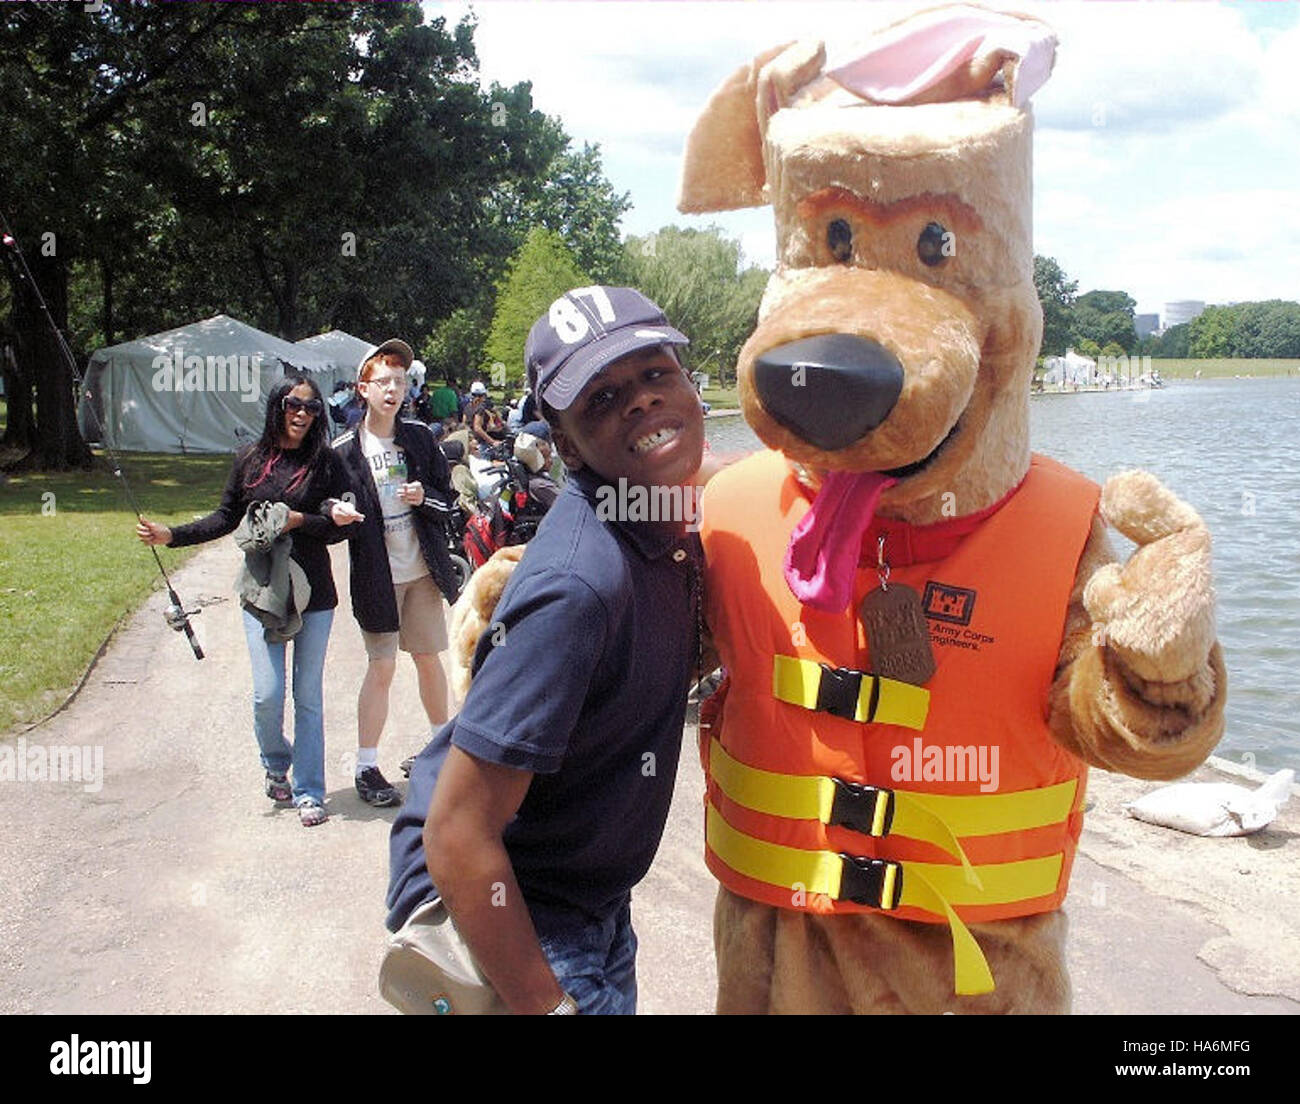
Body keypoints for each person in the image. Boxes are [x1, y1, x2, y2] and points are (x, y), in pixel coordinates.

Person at [387, 286, 708, 1014]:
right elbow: (460, 831)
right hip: (520, 915)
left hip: (588, 897)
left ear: (690, 385)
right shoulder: (580, 587)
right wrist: (547, 1004)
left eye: (657, 373)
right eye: (601, 399)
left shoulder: (656, 520)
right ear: (564, 445)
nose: (639, 402)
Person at [136, 375, 358, 827]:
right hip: (262, 593)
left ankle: (310, 791)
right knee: (267, 693)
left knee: (308, 695)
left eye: (312, 408)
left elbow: (343, 525)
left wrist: (302, 521)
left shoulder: (326, 462)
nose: (301, 414)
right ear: (278, 405)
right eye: (293, 404)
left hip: (314, 593)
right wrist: (172, 535)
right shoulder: (250, 459)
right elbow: (225, 517)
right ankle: (277, 764)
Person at [326, 339, 463, 807]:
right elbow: (323, 507)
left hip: (421, 571)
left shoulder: (421, 439)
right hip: (377, 576)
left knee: (429, 659)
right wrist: (336, 511)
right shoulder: (344, 449)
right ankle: (366, 765)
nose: (393, 389)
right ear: (363, 388)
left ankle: (441, 750)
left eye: (400, 382)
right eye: (383, 381)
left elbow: (450, 502)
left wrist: (424, 497)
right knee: (382, 665)